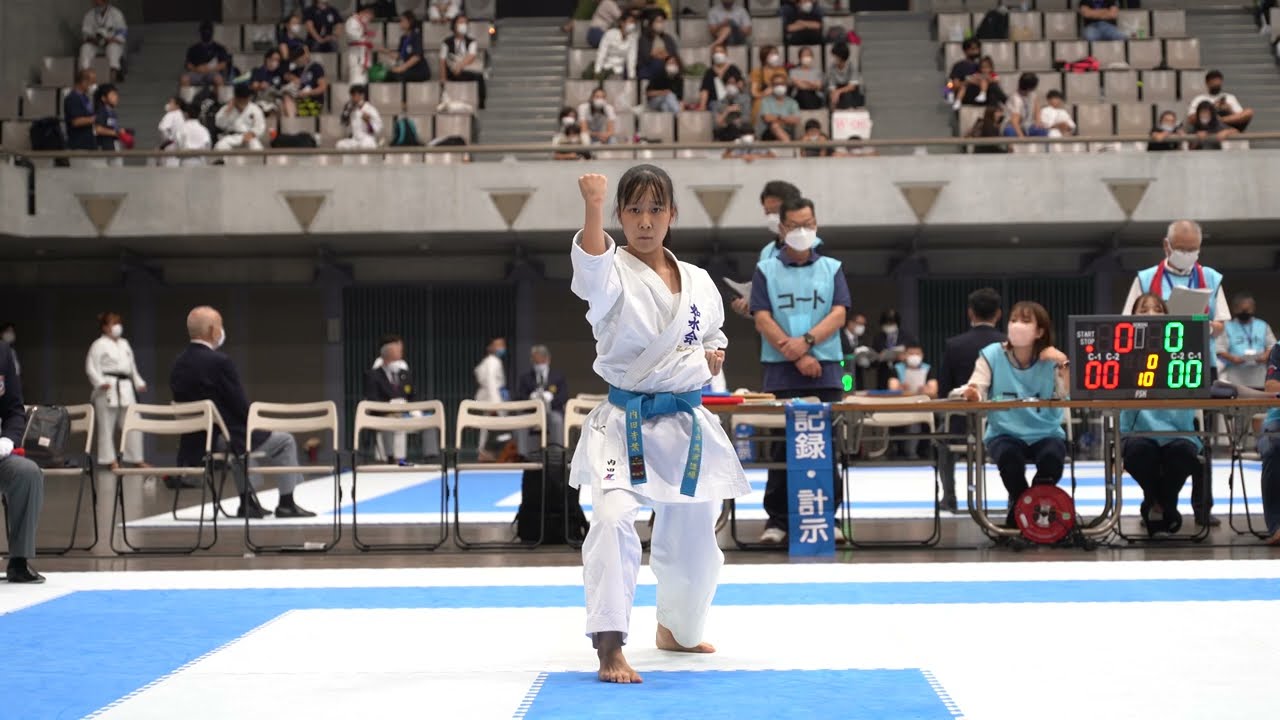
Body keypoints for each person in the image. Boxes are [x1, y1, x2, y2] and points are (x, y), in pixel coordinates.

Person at [572, 166, 749, 684]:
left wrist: (714, 354)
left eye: (655, 210)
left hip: (685, 425)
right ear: (620, 216)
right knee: (611, 520)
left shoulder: (698, 279)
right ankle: (609, 645)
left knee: (697, 540)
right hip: (624, 423)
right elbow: (589, 265)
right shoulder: (611, 272)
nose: (645, 222)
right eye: (633, 210)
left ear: (673, 214)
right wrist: (592, 205)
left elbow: (714, 333)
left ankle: (677, 629)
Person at [749, 196, 850, 544]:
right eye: (794, 226)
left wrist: (806, 343)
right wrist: (794, 353)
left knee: (826, 446)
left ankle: (827, 516)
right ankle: (777, 521)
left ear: (816, 225)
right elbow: (762, 317)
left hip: (825, 370)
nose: (802, 231)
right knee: (781, 447)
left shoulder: (832, 268)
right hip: (781, 371)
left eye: (808, 224)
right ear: (782, 228)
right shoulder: (766, 270)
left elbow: (839, 313)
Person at [170, 306, 315, 519]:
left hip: (194, 442)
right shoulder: (220, 362)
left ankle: (248, 503)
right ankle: (286, 504)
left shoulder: (178, 363)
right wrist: (257, 425)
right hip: (223, 438)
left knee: (238, 440)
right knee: (284, 441)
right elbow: (239, 405)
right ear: (212, 330)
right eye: (220, 326)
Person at [961, 301, 1070, 527]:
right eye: (1013, 320)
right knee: (1010, 460)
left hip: (1046, 432)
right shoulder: (992, 354)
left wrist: (1062, 362)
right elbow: (977, 386)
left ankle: (1033, 506)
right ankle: (1022, 507)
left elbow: (1065, 394)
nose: (1017, 325)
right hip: (1004, 432)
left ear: (1040, 331)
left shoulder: (1052, 360)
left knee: (1052, 458)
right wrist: (973, 393)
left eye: (1025, 321)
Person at [1122, 293, 1202, 536]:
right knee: (1139, 452)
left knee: (1183, 453)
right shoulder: (1123, 351)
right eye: (1143, 310)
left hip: (1179, 432)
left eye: (1157, 309)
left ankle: (1155, 503)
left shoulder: (1184, 351)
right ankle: (1165, 505)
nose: (1151, 314)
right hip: (1137, 432)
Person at [937, 287, 1006, 512]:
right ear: (998, 314)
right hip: (1002, 423)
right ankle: (1014, 497)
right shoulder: (1008, 345)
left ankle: (949, 497)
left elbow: (945, 390)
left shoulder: (954, 345)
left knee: (941, 439)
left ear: (970, 312)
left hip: (960, 423)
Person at [1121, 220, 1230, 337]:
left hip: (1200, 346)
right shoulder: (1145, 278)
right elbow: (1127, 321)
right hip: (1157, 344)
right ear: (1166, 245)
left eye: (1192, 250)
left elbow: (1221, 324)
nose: (1186, 254)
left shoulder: (1211, 277)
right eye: (1181, 249)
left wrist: (1206, 326)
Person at [0, 338, 45, 583]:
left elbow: (14, 410)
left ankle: (19, 561)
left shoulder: (2, 352)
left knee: (27, 473)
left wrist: (8, 439)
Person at [86, 312, 148, 470]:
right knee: (106, 426)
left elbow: (131, 367)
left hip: (125, 387)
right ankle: (110, 460)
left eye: (118, 323)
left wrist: (138, 382)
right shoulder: (99, 344)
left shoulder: (124, 343)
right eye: (113, 323)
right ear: (105, 327)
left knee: (133, 423)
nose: (117, 326)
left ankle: (136, 458)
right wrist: (100, 382)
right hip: (107, 387)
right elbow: (91, 367)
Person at [364, 334, 414, 463]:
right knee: (389, 422)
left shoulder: (404, 373)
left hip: (405, 412)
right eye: (397, 349)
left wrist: (414, 409)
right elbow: (372, 398)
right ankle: (390, 458)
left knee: (430, 420)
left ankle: (430, 457)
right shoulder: (374, 374)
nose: (400, 351)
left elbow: (413, 395)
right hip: (385, 413)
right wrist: (390, 405)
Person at [515, 345, 568, 455]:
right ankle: (523, 455)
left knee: (557, 420)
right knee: (521, 422)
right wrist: (531, 398)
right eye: (536, 362)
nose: (539, 365)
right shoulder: (525, 378)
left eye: (541, 361)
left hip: (552, 410)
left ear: (548, 359)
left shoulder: (558, 377)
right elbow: (519, 396)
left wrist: (551, 399)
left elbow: (563, 396)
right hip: (532, 412)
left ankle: (557, 454)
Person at [1217, 293, 1275, 389]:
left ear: (1253, 308)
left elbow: (1272, 345)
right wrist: (1232, 358)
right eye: (1242, 310)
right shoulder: (1227, 326)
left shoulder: (1262, 325)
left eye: (1247, 309)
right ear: (1234, 309)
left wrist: (1266, 356)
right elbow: (1219, 348)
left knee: (1259, 397)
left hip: (1258, 375)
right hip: (1235, 375)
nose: (1245, 312)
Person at [1257, 342, 1280, 545]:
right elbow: (1271, 387)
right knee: (1273, 446)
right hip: (1277, 420)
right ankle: (1276, 526)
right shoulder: (1279, 349)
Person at [1186, 70, 1254, 133]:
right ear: (1207, 83)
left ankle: (1219, 121)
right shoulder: (1199, 98)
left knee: (1249, 111)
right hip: (1209, 126)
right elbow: (1191, 118)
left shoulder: (1230, 97)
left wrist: (1229, 110)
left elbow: (1241, 116)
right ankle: (1216, 121)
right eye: (1213, 81)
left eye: (1218, 81)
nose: (1216, 83)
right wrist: (1213, 108)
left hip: (1228, 123)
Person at [441, 14, 486, 108]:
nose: (463, 25)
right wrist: (443, 79)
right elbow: (442, 60)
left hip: (466, 70)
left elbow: (471, 56)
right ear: (454, 25)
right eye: (460, 22)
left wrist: (459, 66)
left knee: (479, 77)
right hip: (452, 71)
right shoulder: (446, 42)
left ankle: (480, 103)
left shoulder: (472, 41)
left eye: (465, 23)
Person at [80, 0, 127, 81]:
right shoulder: (89, 15)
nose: (97, 6)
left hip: (112, 42)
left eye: (99, 3)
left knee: (113, 48)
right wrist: (93, 40)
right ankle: (85, 74)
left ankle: (113, 73)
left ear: (106, 2)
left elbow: (123, 32)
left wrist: (111, 39)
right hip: (95, 43)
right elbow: (85, 34)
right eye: (95, 3)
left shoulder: (116, 13)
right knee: (85, 48)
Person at [871, 309, 918, 390]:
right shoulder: (878, 338)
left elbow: (915, 354)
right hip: (883, 376)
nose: (889, 326)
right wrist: (879, 357)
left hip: (901, 375)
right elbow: (873, 360)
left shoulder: (907, 337)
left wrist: (905, 357)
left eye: (891, 323)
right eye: (886, 323)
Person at [214, 84, 267, 151]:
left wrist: (252, 133)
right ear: (236, 98)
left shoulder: (255, 109)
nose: (242, 101)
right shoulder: (227, 108)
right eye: (240, 99)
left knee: (257, 148)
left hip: (249, 137)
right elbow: (219, 124)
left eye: (245, 99)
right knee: (220, 146)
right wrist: (227, 111)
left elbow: (260, 126)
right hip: (230, 137)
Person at [380, 11, 429, 82]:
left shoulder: (416, 36)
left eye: (403, 20)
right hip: (409, 70)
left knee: (397, 75)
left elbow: (416, 57)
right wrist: (387, 51)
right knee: (388, 75)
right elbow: (399, 55)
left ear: (410, 22)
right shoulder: (403, 38)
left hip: (419, 71)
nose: (400, 23)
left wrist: (402, 68)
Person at [180, 21, 232, 89]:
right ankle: (186, 96)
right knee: (184, 79)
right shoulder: (193, 48)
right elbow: (188, 64)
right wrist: (196, 69)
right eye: (204, 31)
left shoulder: (219, 48)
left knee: (218, 79)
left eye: (208, 31)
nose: (206, 33)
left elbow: (223, 64)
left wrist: (209, 69)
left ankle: (221, 96)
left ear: (212, 32)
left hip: (213, 72)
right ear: (200, 32)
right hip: (197, 73)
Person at [283, 44, 329, 117]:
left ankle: (293, 120)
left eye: (297, 59)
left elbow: (322, 87)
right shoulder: (297, 69)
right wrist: (293, 78)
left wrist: (308, 93)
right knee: (284, 102)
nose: (296, 62)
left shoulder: (316, 67)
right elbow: (286, 75)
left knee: (289, 103)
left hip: (313, 102)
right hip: (299, 100)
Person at [696, 44, 744, 111]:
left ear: (726, 53)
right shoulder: (709, 72)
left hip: (732, 100)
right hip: (716, 102)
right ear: (712, 55)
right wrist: (702, 106)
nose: (718, 54)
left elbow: (741, 86)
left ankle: (732, 110)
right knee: (716, 105)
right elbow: (704, 91)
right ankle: (729, 110)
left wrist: (735, 84)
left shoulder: (733, 69)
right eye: (716, 52)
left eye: (721, 52)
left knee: (743, 100)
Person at [749, 45, 788, 124]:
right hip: (763, 100)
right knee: (759, 105)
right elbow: (754, 93)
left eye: (776, 53)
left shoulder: (781, 70)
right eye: (772, 54)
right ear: (764, 56)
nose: (775, 56)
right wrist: (764, 94)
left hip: (779, 99)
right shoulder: (757, 72)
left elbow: (785, 89)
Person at [337, 84, 383, 149]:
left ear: (362, 96)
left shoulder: (370, 109)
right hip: (354, 139)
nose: (354, 98)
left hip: (366, 138)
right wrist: (348, 114)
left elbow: (376, 130)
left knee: (366, 144)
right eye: (352, 96)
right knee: (340, 144)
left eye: (356, 95)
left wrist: (368, 122)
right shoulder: (350, 108)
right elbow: (344, 124)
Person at [594, 13, 639, 80]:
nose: (632, 25)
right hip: (606, 68)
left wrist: (631, 76)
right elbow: (601, 53)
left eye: (633, 22)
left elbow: (632, 58)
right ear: (622, 23)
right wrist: (597, 71)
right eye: (630, 22)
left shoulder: (633, 38)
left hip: (620, 72)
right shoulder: (610, 34)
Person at [637, 14, 679, 81]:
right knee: (658, 64)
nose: (660, 24)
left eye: (661, 21)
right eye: (658, 21)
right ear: (651, 23)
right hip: (648, 67)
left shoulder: (668, 38)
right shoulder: (644, 39)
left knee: (673, 66)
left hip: (666, 64)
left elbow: (671, 53)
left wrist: (658, 53)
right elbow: (647, 55)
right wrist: (660, 53)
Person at [1003, 73, 1046, 138]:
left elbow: (1037, 109)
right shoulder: (1015, 99)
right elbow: (1014, 122)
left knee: (1041, 131)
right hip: (1013, 126)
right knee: (1010, 132)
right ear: (1029, 87)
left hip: (1027, 125)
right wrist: (1022, 138)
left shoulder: (1032, 94)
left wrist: (1038, 121)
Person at [65, 69, 98, 152]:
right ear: (84, 81)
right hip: (79, 146)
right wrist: (96, 118)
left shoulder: (85, 98)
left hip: (89, 144)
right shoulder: (72, 98)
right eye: (92, 82)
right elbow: (76, 122)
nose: (94, 86)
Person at [758, 76, 800, 142]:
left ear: (786, 86)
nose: (779, 86)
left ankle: (787, 142)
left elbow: (796, 119)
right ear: (772, 86)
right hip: (769, 132)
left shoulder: (792, 102)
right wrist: (785, 119)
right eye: (777, 84)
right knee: (775, 125)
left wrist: (778, 118)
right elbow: (767, 118)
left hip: (788, 130)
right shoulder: (766, 101)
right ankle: (789, 145)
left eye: (782, 84)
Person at [344, 3, 377, 85]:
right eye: (370, 15)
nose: (371, 18)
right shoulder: (352, 21)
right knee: (357, 81)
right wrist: (365, 35)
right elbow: (353, 36)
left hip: (363, 56)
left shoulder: (362, 24)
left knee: (363, 82)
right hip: (356, 56)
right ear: (365, 12)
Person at [93, 83, 129, 159]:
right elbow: (98, 129)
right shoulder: (101, 111)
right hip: (104, 148)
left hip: (113, 145)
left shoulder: (112, 112)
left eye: (116, 95)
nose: (116, 97)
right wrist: (117, 133)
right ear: (103, 98)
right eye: (113, 95)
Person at [249, 50, 287, 117]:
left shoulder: (280, 74)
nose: (276, 62)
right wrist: (260, 86)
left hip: (275, 100)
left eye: (278, 60)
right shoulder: (257, 71)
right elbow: (253, 86)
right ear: (267, 59)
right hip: (261, 99)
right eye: (274, 59)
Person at [826, 42, 863, 110]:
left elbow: (852, 86)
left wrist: (838, 92)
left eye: (835, 56)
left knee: (847, 95)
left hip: (850, 91)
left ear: (841, 57)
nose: (833, 58)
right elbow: (832, 86)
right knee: (831, 97)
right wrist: (833, 95)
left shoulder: (852, 66)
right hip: (838, 89)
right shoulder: (832, 67)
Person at [174, 100, 212, 165]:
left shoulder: (181, 129)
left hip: (185, 162)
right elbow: (208, 147)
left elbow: (178, 147)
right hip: (201, 162)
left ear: (186, 114)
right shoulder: (204, 130)